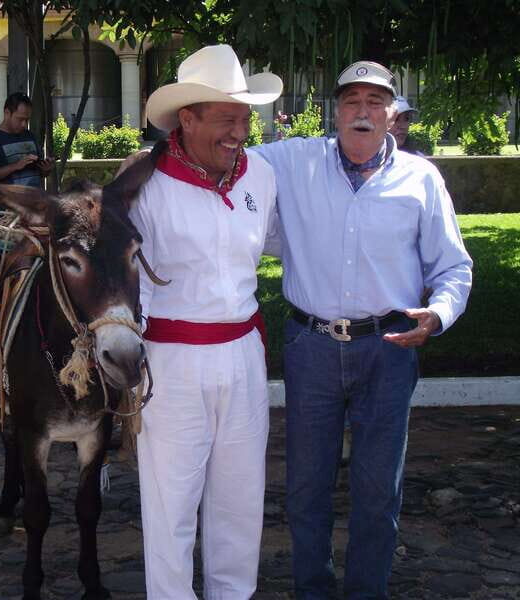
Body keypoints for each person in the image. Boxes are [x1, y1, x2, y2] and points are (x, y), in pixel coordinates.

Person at [254, 61, 472, 599]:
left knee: (378, 490)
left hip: (390, 349)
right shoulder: (294, 160)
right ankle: (312, 590)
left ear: (393, 114)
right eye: (352, 101)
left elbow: (453, 267)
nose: (362, 112)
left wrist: (440, 312)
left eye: (376, 102)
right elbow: (228, 156)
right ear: (335, 111)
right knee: (306, 487)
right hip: (311, 346)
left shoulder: (421, 178)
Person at [128, 44, 282, 598]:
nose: (239, 131)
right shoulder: (142, 185)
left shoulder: (260, 175)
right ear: (186, 119)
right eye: (225, 119)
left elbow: (268, 245)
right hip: (170, 363)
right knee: (171, 508)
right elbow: (130, 287)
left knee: (240, 504)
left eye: (244, 119)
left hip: (243, 355)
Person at [0, 92, 53, 187]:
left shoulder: (30, 136)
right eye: (20, 119)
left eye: (27, 120)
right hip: (8, 201)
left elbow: (39, 174)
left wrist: (45, 170)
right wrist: (15, 166)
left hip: (36, 200)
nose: (24, 124)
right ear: (7, 113)